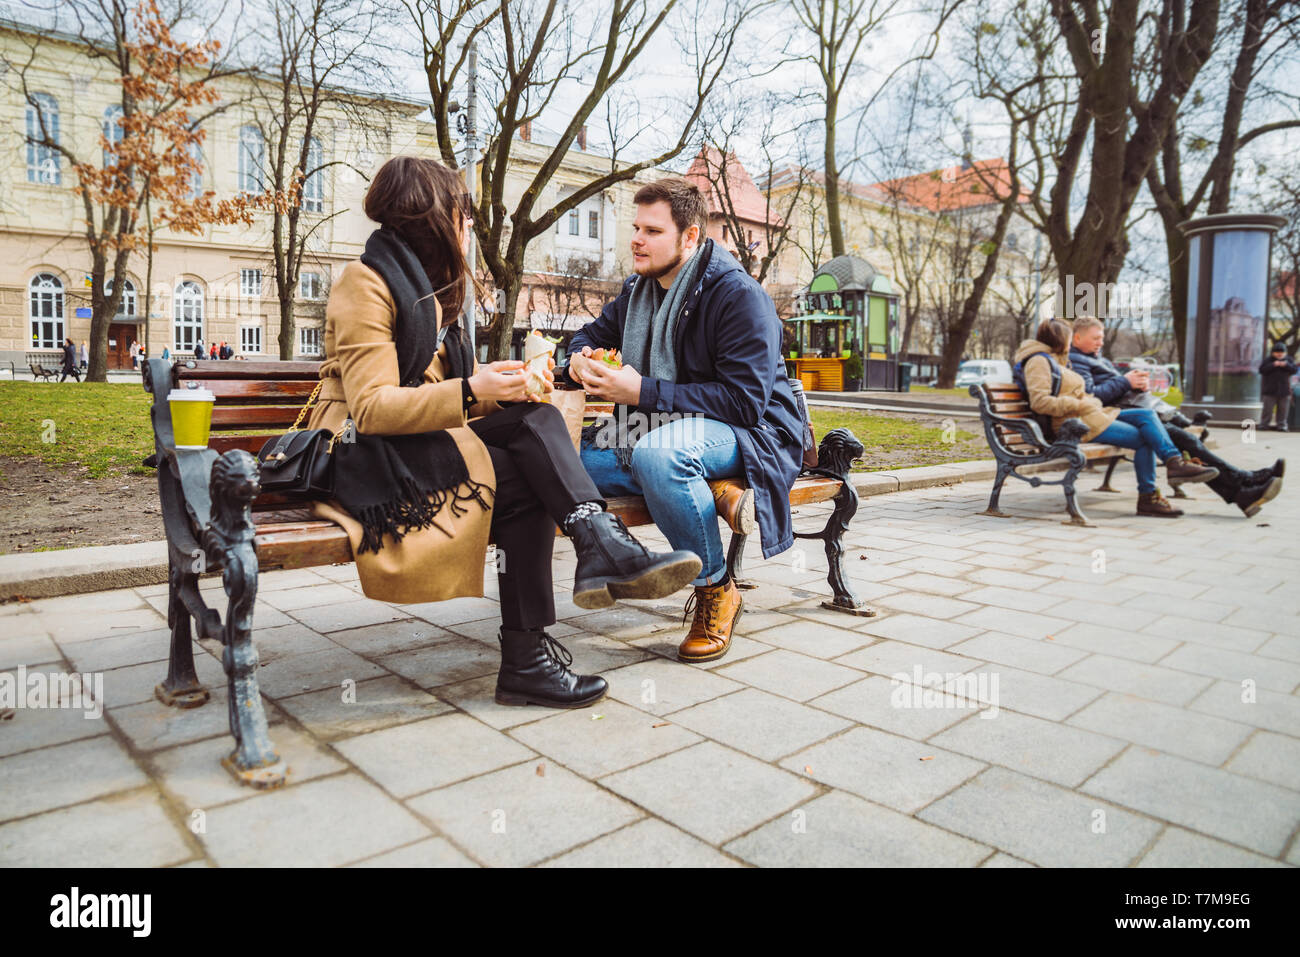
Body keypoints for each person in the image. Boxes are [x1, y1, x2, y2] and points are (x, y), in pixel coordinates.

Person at [307, 156, 701, 709]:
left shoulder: (431, 290)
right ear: (432, 218)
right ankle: (563, 604)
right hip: (367, 457)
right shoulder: (366, 284)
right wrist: (475, 389)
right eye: (462, 215)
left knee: (535, 440)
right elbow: (372, 409)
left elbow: (448, 397)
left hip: (422, 444)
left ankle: (575, 584)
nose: (469, 227)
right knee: (533, 472)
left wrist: (503, 387)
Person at [562, 177, 804, 662]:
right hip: (664, 424)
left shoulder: (738, 295)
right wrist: (578, 358)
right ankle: (631, 554)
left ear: (689, 237)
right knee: (566, 461)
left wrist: (641, 391)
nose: (636, 239)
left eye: (652, 230)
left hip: (751, 431)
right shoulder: (637, 291)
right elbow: (587, 334)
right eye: (635, 227)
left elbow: (744, 402)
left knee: (660, 456)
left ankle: (717, 590)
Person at [1069, 317, 1284, 516]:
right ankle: (1243, 484)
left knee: (1185, 440)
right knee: (1185, 440)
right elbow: (1091, 396)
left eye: (1102, 338)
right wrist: (1126, 382)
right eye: (1095, 338)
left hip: (1129, 413)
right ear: (1077, 337)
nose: (1100, 343)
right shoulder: (1077, 361)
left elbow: (1114, 389)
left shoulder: (1097, 359)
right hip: (1113, 417)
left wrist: (1137, 387)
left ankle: (1241, 492)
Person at [1017, 318, 1217, 518]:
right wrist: (1082, 404)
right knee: (1144, 438)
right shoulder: (1038, 361)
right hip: (1072, 425)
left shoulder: (1055, 359)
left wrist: (1089, 401)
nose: (1071, 344)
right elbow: (1040, 402)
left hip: (1089, 415)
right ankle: (1149, 497)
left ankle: (1174, 463)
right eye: (1069, 338)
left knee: (1146, 415)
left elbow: (1073, 392)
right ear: (1059, 339)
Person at [1259, 342, 1296, 432]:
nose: (1279, 354)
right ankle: (1264, 425)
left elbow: (1294, 370)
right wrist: (1273, 365)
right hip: (1270, 390)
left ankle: (1282, 426)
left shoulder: (1289, 360)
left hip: (1285, 390)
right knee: (1267, 409)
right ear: (1272, 352)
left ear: (1285, 353)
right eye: (1277, 352)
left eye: (1282, 352)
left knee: (1283, 410)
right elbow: (1262, 370)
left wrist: (1286, 365)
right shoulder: (1268, 360)